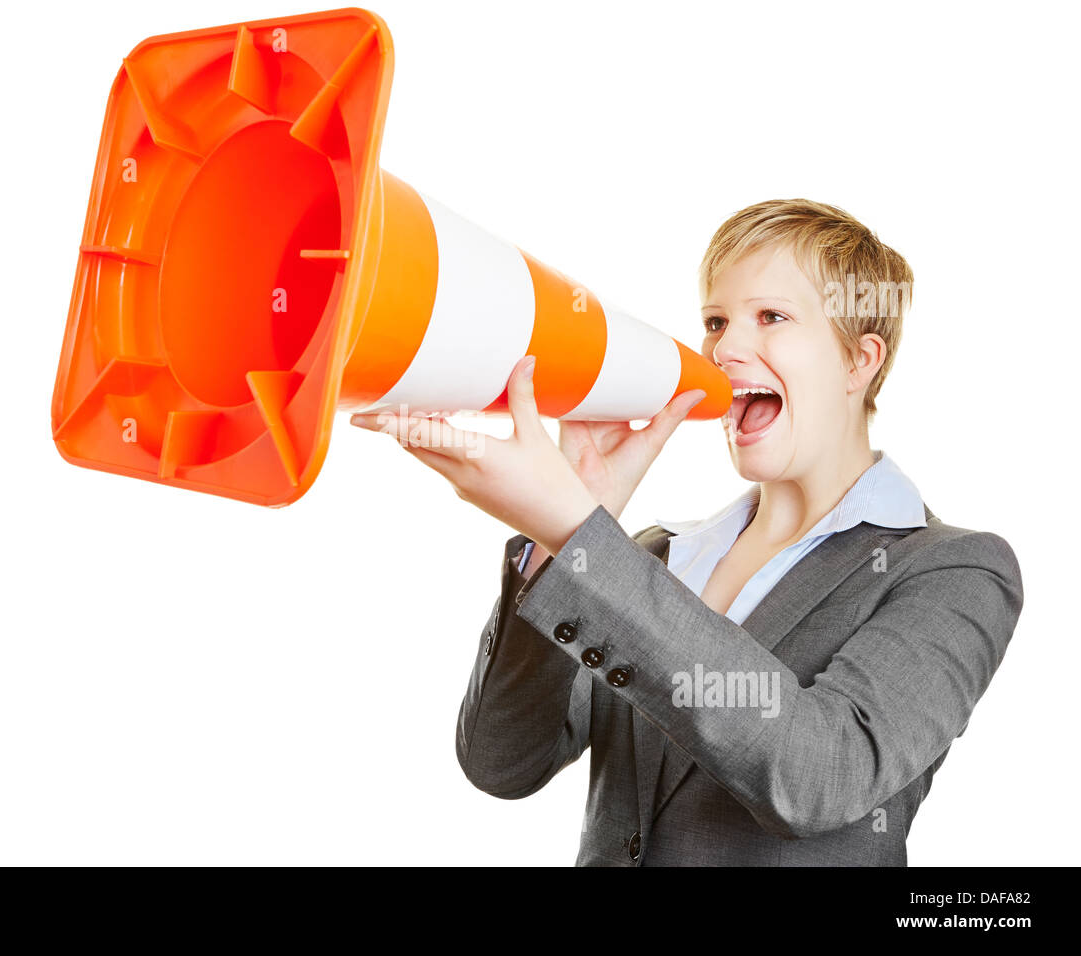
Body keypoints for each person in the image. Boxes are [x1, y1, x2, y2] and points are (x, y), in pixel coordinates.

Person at [348, 199, 1024, 866]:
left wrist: (577, 531)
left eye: (772, 317)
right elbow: (503, 762)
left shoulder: (954, 570)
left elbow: (821, 775)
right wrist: (561, 545)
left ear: (859, 362)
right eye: (715, 320)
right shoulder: (653, 555)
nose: (725, 349)